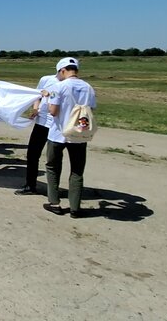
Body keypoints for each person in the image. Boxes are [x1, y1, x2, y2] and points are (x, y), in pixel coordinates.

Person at [43, 57, 97, 218]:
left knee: (52, 167)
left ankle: (54, 203)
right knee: (77, 171)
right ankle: (75, 207)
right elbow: (91, 108)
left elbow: (53, 111)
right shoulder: (88, 87)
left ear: (63, 70)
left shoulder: (59, 87)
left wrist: (47, 96)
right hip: (79, 134)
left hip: (58, 133)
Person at [16, 68, 59, 195]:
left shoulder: (68, 85)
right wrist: (35, 109)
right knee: (33, 154)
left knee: (54, 158)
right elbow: (37, 95)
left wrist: (49, 94)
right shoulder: (46, 79)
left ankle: (54, 190)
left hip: (58, 125)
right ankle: (30, 185)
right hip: (42, 122)